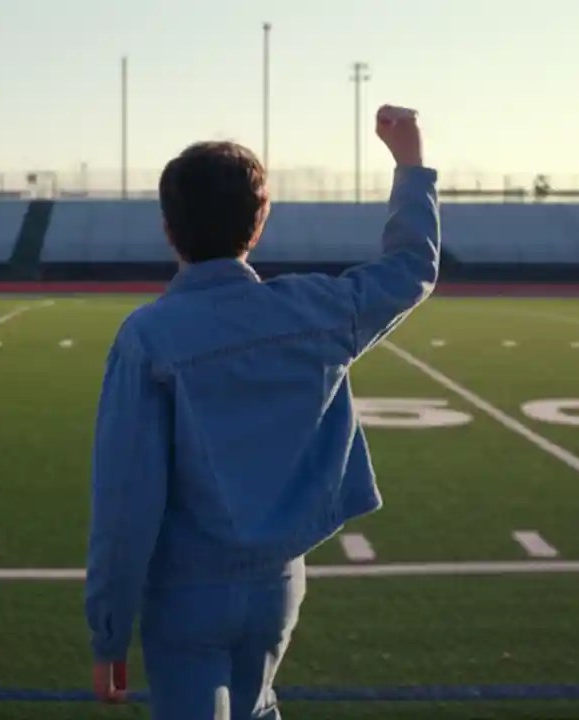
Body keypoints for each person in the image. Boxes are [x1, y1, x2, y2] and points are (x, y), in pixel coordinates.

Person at [85, 104, 440, 719]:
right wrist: (410, 164)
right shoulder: (315, 311)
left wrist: (109, 634)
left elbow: (125, 502)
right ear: (260, 219)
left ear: (168, 227)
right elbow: (412, 268)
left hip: (187, 593)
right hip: (279, 587)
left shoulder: (149, 337)